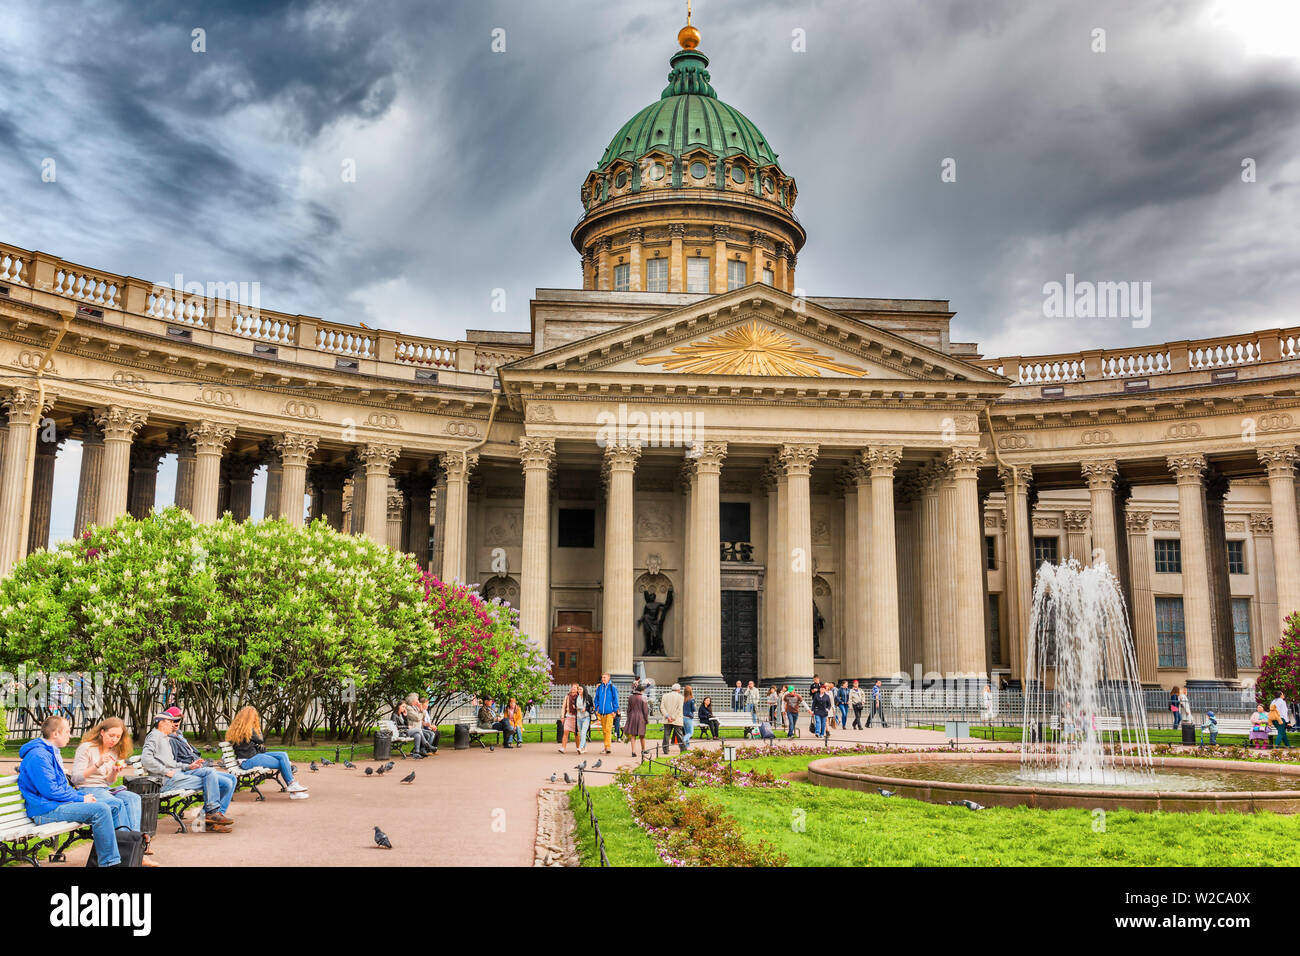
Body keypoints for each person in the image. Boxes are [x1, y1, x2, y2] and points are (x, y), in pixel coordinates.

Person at [18, 715, 127, 867]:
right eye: (67, 732)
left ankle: (124, 855)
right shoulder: (39, 756)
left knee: (114, 805)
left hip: (54, 804)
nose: (70, 735)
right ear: (55, 734)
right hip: (44, 810)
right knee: (101, 810)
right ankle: (110, 863)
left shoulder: (51, 752)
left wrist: (80, 795)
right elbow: (51, 791)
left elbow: (62, 787)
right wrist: (81, 799)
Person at [142, 707, 236, 831]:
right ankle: (211, 813)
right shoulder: (154, 736)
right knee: (212, 779)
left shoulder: (163, 738)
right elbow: (146, 760)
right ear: (161, 723)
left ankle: (210, 814)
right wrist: (166, 771)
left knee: (211, 775)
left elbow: (171, 763)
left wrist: (188, 766)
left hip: (177, 775)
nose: (173, 724)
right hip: (166, 781)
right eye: (170, 721)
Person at [70, 717, 147, 849]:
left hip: (104, 789)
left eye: (118, 737)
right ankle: (127, 849)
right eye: (111, 735)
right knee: (117, 803)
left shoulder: (114, 751)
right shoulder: (86, 748)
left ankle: (135, 844)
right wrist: (98, 763)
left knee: (133, 798)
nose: (114, 740)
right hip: (87, 789)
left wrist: (115, 771)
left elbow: (108, 781)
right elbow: (76, 779)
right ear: (102, 732)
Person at [225, 706, 310, 797]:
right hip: (247, 761)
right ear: (250, 717)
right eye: (254, 717)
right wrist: (257, 727)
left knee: (283, 755)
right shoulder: (249, 729)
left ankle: (292, 786)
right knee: (282, 763)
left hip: (252, 757)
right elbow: (261, 740)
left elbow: (248, 746)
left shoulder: (240, 730)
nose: (256, 719)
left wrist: (258, 747)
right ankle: (292, 788)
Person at [593, 673, 620, 755]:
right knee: (604, 730)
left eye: (604, 677)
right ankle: (606, 747)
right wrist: (597, 708)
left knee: (608, 729)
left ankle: (608, 747)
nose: (603, 679)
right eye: (602, 677)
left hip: (610, 712)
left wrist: (615, 710)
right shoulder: (600, 688)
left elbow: (616, 699)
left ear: (608, 678)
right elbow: (596, 699)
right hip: (601, 712)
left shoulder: (612, 687)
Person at [625, 683, 650, 757]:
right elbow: (645, 711)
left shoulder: (630, 697)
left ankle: (633, 751)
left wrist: (629, 717)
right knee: (642, 735)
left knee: (633, 735)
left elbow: (628, 709)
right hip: (641, 717)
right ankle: (643, 750)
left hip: (632, 717)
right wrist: (646, 720)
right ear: (642, 690)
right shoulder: (643, 698)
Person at [660, 683, 685, 753]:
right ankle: (683, 749)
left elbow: (662, 707)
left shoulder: (665, 696)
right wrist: (673, 717)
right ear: (679, 690)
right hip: (677, 719)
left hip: (667, 719)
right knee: (680, 735)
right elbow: (679, 709)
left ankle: (665, 750)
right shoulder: (681, 697)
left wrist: (667, 716)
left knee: (666, 735)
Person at [559, 684, 582, 754]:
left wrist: (577, 707)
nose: (573, 688)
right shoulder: (567, 696)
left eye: (575, 687)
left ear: (577, 689)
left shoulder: (580, 697)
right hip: (568, 716)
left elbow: (582, 707)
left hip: (576, 717)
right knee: (565, 731)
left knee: (576, 734)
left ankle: (578, 748)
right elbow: (563, 707)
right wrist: (562, 716)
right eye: (572, 687)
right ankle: (563, 748)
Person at [681, 685, 696, 750]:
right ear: (690, 691)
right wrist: (694, 705)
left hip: (682, 717)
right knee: (690, 733)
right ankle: (683, 740)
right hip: (688, 717)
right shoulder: (692, 699)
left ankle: (686, 746)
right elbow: (693, 709)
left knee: (687, 732)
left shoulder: (682, 699)